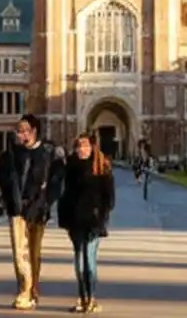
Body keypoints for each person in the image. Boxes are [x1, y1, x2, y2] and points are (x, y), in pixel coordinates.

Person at [0, 113, 65, 310]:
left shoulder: (47, 153)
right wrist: (7, 196)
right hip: (17, 207)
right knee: (18, 253)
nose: (20, 134)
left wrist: (45, 202)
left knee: (34, 252)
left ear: (33, 131)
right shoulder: (11, 154)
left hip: (38, 208)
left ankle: (32, 289)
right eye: (18, 130)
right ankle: (23, 289)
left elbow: (56, 182)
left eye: (24, 130)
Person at [59, 132, 116, 313]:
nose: (81, 149)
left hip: (93, 220)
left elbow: (109, 198)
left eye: (84, 145)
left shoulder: (101, 167)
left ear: (91, 147)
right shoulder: (71, 167)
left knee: (89, 259)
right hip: (75, 220)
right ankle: (83, 297)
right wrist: (65, 218)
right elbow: (65, 194)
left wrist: (101, 217)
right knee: (79, 260)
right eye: (78, 146)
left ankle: (90, 297)